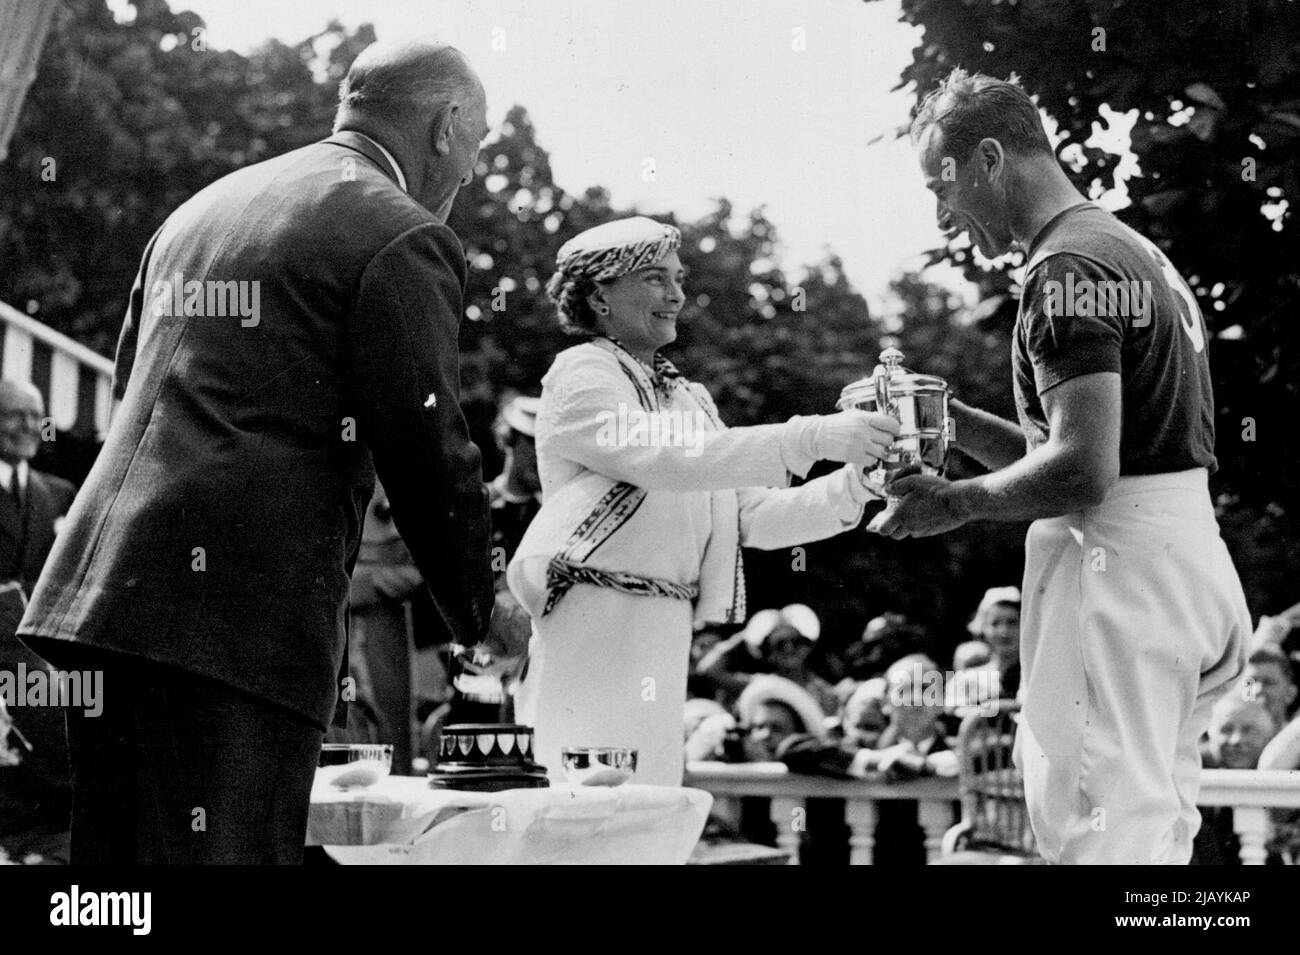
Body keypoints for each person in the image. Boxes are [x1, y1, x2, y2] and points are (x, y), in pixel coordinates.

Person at [16, 39, 496, 864]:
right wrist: (486, 613)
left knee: (119, 884)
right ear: (447, 124)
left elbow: (137, 387)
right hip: (232, 627)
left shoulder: (200, 210)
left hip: (99, 607)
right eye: (479, 144)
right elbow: (429, 452)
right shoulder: (400, 232)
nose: (473, 171)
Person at [877, 69, 1251, 864]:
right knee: (1151, 830)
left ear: (988, 158)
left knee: (1094, 828)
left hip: (1116, 571)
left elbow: (1085, 473)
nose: (944, 213)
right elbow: (1101, 450)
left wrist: (953, 501)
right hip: (1183, 563)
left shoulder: (1064, 272)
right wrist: (957, 423)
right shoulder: (1129, 249)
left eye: (942, 187)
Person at [507, 216, 900, 786]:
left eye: (679, 277)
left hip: (666, 626)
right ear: (599, 295)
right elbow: (661, 458)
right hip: (593, 615)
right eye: (654, 278)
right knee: (582, 810)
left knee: (646, 812)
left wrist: (858, 482)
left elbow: (752, 516)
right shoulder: (580, 371)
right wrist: (811, 436)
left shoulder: (689, 399)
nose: (677, 294)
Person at [0, 380, 77, 864]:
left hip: (48, 670)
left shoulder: (61, 495)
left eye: (36, 415)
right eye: (14, 415)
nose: (29, 425)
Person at [1190, 697, 1276, 865]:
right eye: (1226, 729)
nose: (1236, 740)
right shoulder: (1191, 767)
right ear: (1210, 733)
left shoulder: (1281, 771)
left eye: (1248, 730)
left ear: (1268, 738)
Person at [488, 395, 543, 573]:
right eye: (532, 441)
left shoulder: (545, 516)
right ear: (510, 439)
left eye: (544, 445)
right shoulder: (479, 504)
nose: (539, 454)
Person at [967, 586, 1021, 698]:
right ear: (983, 628)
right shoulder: (969, 680)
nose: (1004, 631)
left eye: (1012, 623)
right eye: (995, 624)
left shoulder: (1036, 676)